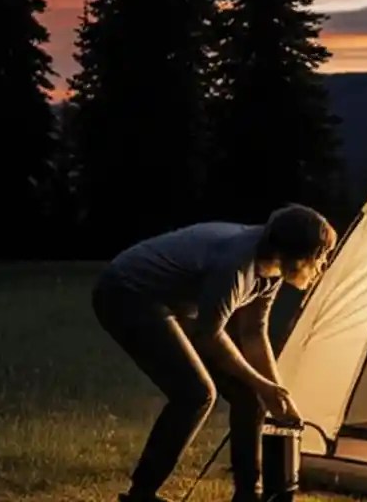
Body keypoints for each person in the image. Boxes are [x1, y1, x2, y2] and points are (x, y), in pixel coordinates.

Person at [91, 204, 338, 502]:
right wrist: (263, 385)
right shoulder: (236, 264)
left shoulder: (270, 271)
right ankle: (141, 494)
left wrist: (275, 392)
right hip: (127, 293)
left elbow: (253, 332)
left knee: (249, 393)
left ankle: (249, 494)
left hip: (172, 303)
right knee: (195, 393)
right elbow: (209, 335)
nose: (321, 265)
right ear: (296, 254)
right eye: (319, 256)